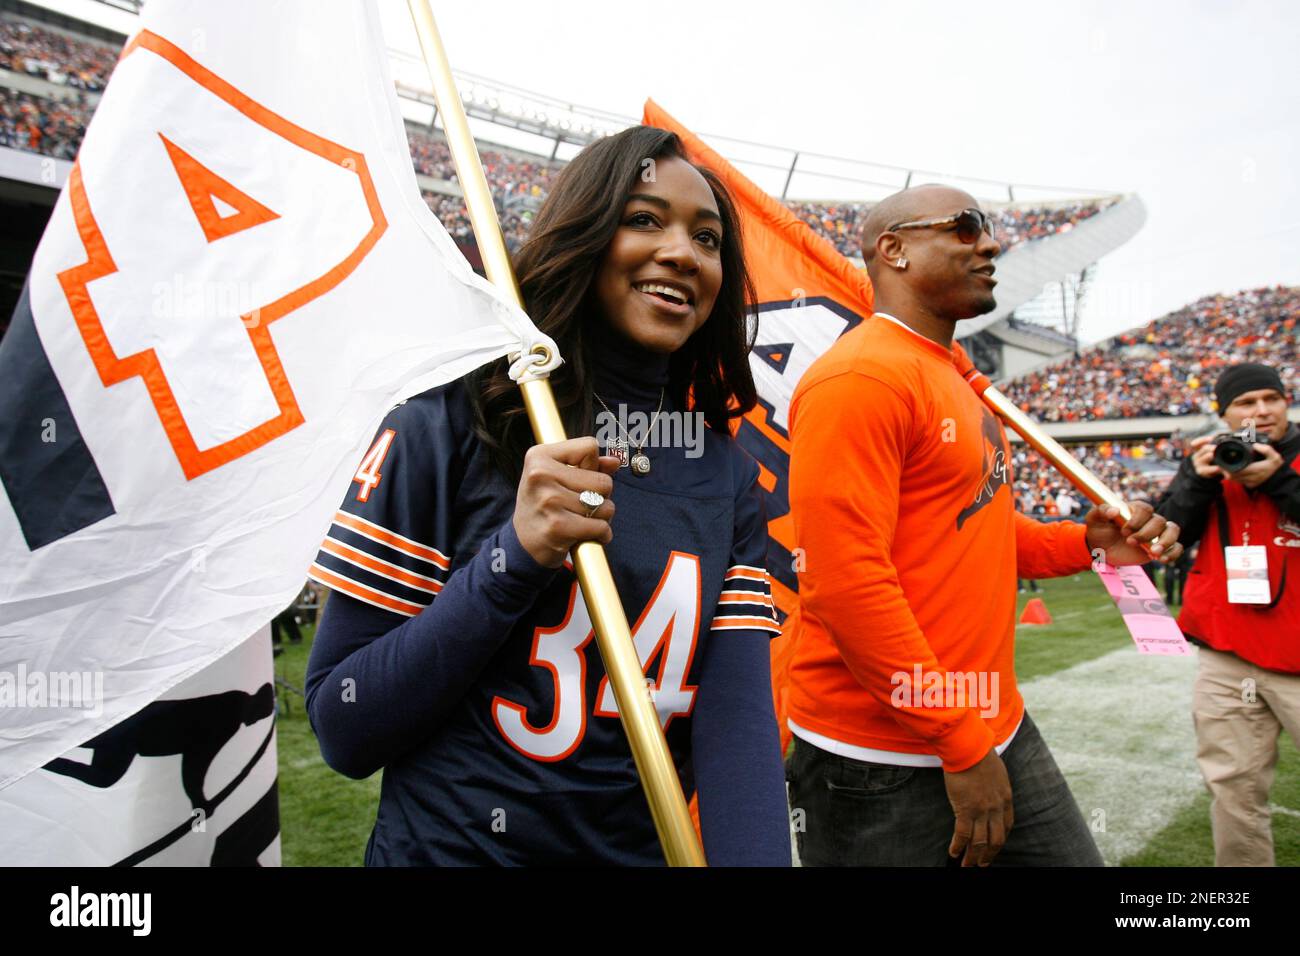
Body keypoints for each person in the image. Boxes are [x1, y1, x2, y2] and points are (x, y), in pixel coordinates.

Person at [303, 126, 790, 866]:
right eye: (644, 219)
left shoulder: (724, 476)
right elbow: (346, 727)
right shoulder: (449, 416)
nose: (684, 253)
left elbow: (737, 736)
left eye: (709, 238)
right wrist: (514, 558)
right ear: (586, 231)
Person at [784, 184, 1184, 867]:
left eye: (990, 229)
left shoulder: (954, 379)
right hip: (883, 756)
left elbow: (984, 529)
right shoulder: (862, 379)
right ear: (894, 250)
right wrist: (958, 740)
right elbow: (846, 584)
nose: (992, 243)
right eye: (966, 228)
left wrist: (1091, 544)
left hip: (992, 721)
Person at [1156, 362, 1300, 866]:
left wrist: (1281, 481)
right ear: (1225, 413)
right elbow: (1166, 534)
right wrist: (1197, 481)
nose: (1261, 411)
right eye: (1245, 402)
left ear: (1286, 402)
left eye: (1271, 398)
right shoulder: (1211, 460)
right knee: (1234, 793)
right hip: (1228, 656)